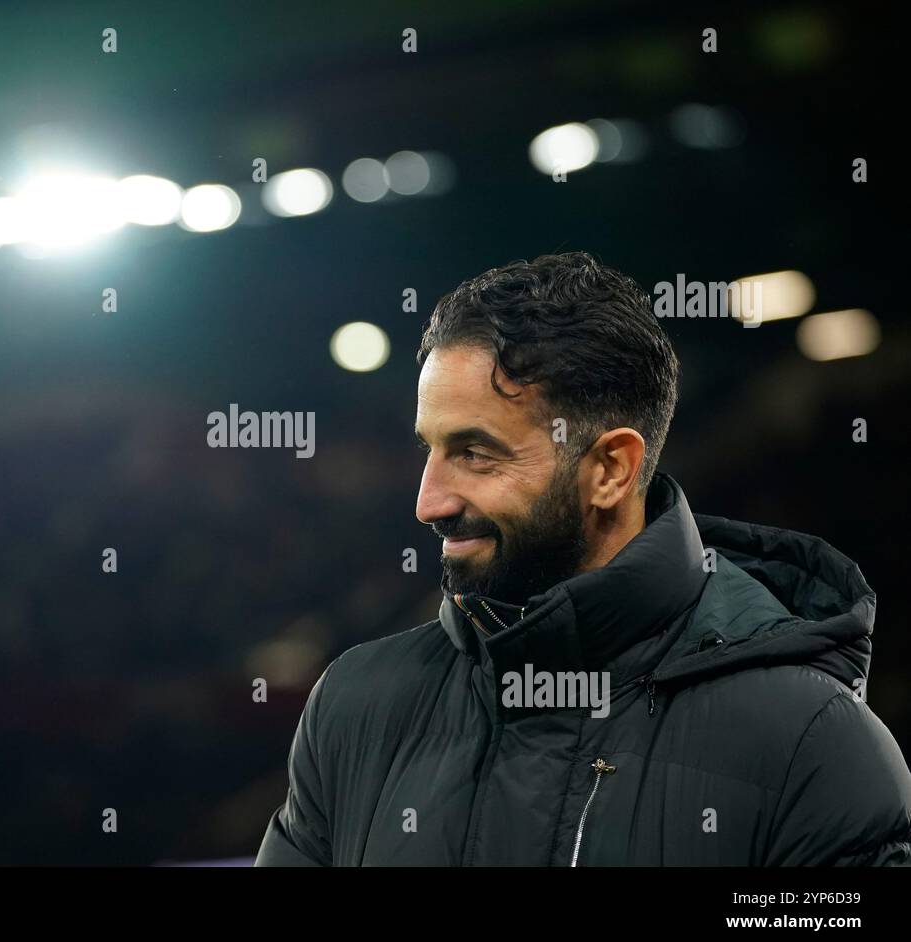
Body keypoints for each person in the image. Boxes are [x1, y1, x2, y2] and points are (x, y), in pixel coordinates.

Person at [255, 252, 911, 865]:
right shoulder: (354, 703)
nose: (429, 502)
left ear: (609, 469)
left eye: (475, 453)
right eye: (429, 448)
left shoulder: (810, 742)